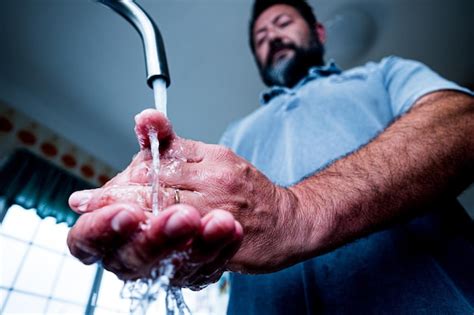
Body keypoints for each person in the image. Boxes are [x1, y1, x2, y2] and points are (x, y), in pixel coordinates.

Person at [67, 0, 474, 313]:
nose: (272, 38)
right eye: (260, 38)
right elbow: (215, 241)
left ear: (317, 31)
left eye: (282, 25)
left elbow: (464, 122)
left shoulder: (384, 74)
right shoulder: (234, 135)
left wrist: (297, 211)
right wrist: (171, 240)